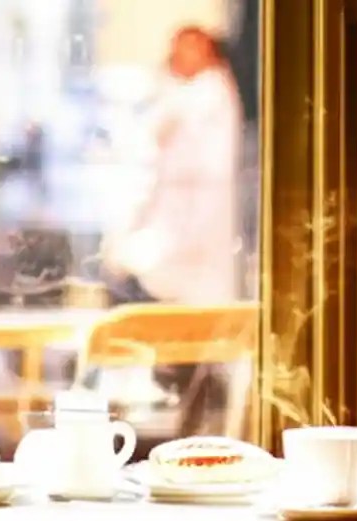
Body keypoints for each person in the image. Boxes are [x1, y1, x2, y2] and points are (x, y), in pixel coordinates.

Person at [97, 26, 246, 437]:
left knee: (194, 345)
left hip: (190, 241)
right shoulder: (184, 98)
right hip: (176, 239)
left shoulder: (208, 97)